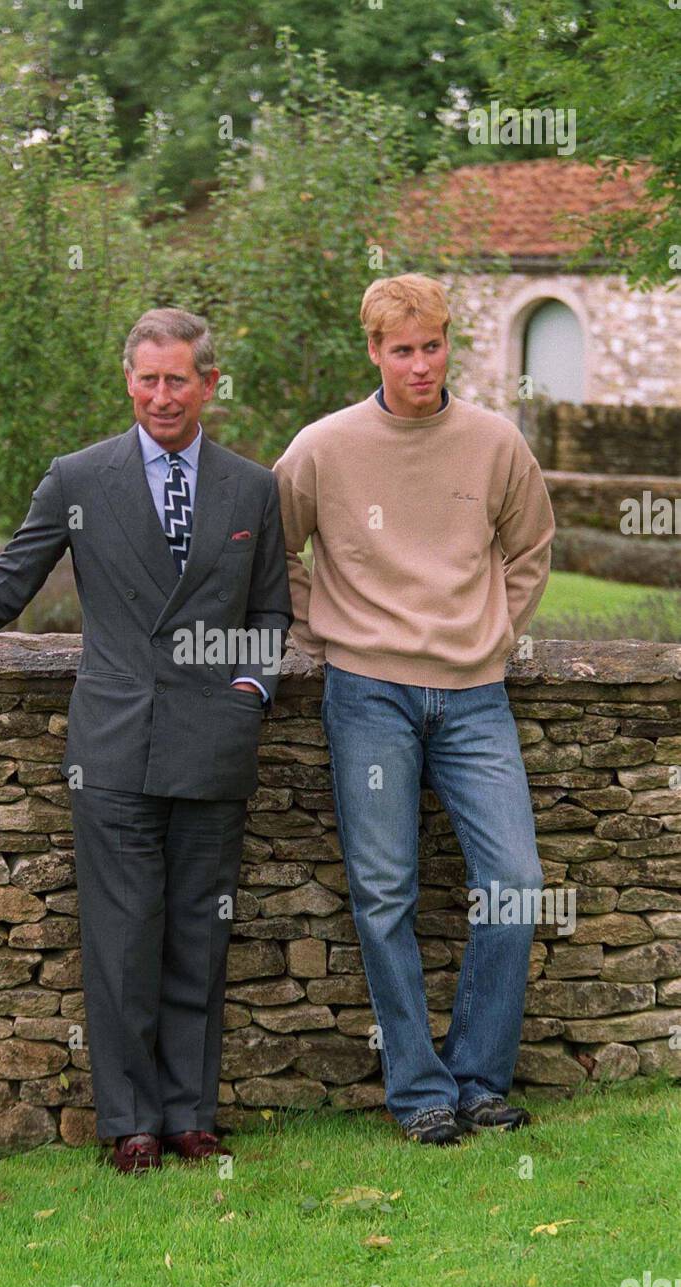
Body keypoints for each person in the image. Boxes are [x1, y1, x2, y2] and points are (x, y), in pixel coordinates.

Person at [0, 307, 293, 1173]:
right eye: (148, 379)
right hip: (113, 741)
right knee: (123, 936)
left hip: (214, 738)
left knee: (201, 931)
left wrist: (251, 684)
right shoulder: (78, 479)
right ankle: (132, 1125)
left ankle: (193, 1115)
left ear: (209, 385)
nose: (163, 396)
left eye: (179, 380)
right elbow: (8, 580)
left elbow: (271, 608)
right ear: (129, 380)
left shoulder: (252, 489)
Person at [272, 273, 556, 1145]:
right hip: (367, 695)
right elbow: (275, 554)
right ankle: (419, 1093)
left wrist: (494, 636)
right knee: (384, 893)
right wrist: (331, 633)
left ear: (447, 346)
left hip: (476, 695)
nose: (420, 363)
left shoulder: (494, 442)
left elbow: (532, 546)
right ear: (374, 351)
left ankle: (478, 1080)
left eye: (432, 345)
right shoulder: (321, 448)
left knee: (515, 885)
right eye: (403, 349)